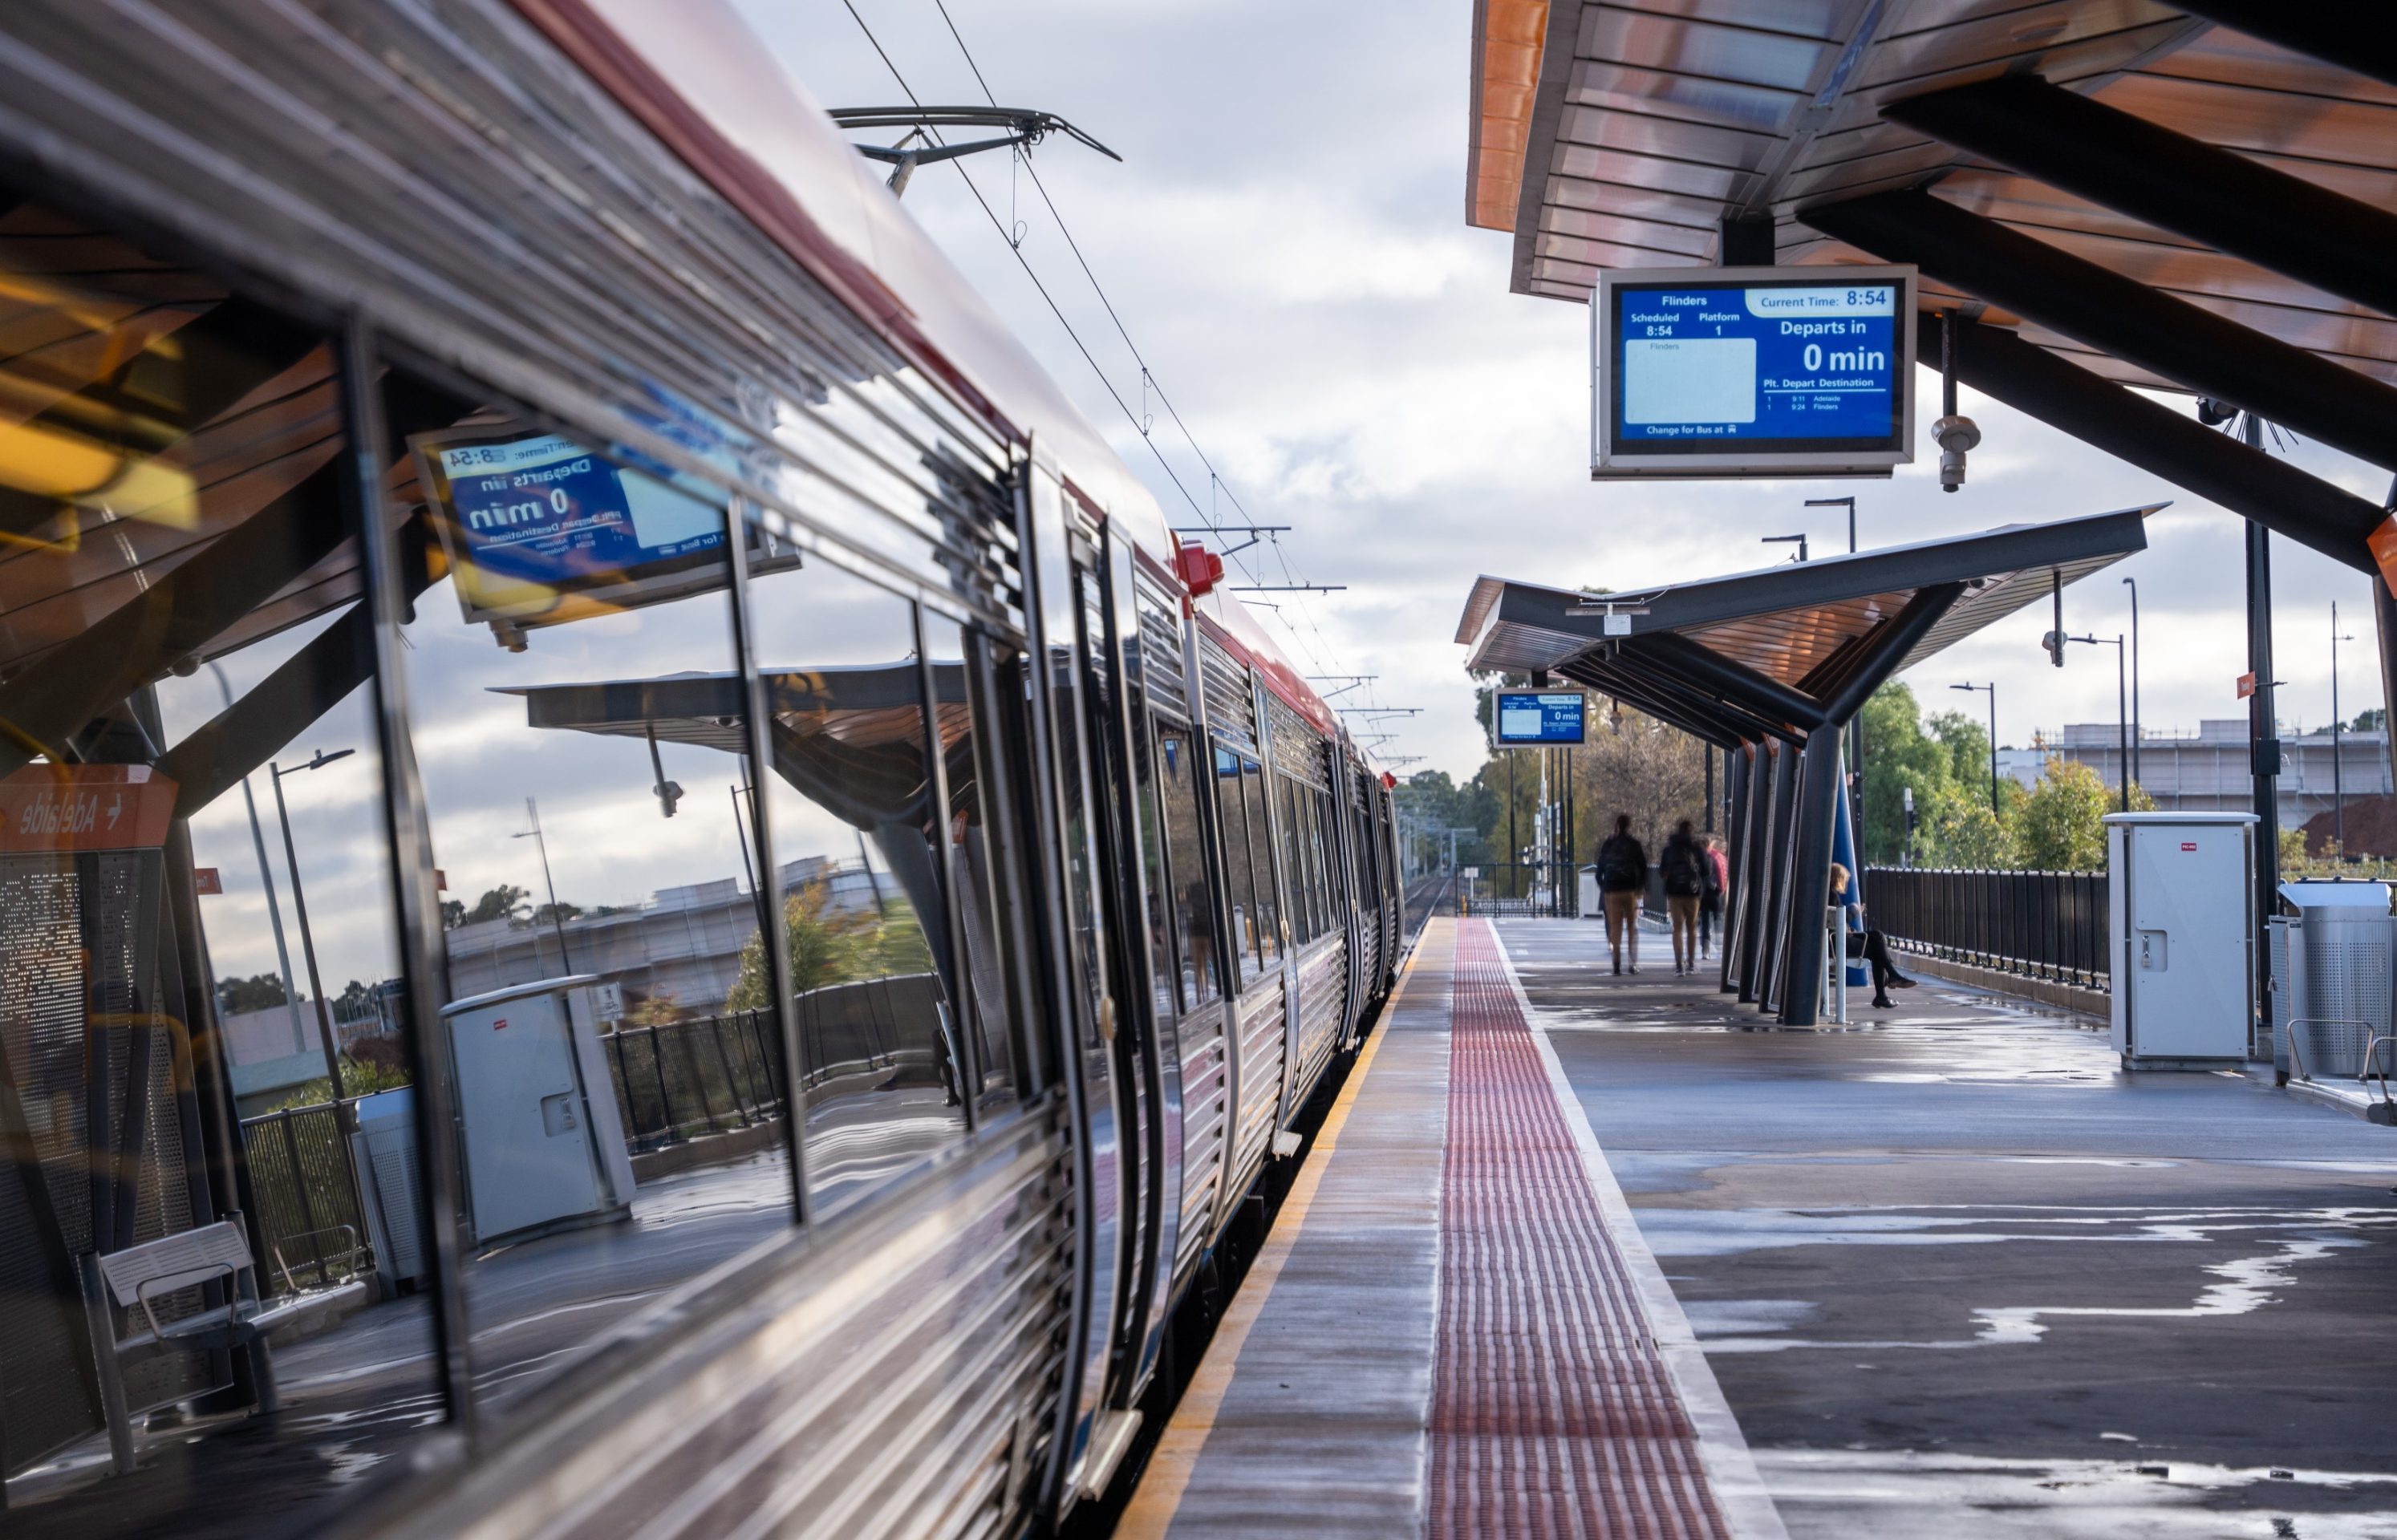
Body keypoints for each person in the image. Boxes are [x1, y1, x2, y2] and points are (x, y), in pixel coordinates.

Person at [1829, 862, 1918, 1009]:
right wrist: (1855, 910)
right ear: (1837, 879)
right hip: (1838, 942)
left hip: (1840, 938)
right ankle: (1884, 990)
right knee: (1877, 949)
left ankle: (1890, 979)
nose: (1845, 883)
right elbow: (1839, 919)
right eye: (1843, 879)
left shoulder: (1830, 894)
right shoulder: (1832, 896)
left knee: (1877, 936)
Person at [1594, 813, 1649, 975]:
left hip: (1612, 891)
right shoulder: (1634, 844)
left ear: (1617, 825)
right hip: (1630, 890)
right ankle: (1632, 962)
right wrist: (1640, 887)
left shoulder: (1609, 845)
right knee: (1632, 927)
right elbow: (1643, 867)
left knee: (1615, 927)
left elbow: (1600, 869)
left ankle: (1616, 963)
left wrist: (1604, 886)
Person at [1659, 819, 1705, 976]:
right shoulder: (1696, 848)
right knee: (1692, 927)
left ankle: (1679, 965)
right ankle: (1691, 963)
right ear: (1691, 831)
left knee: (1677, 928)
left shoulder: (1669, 849)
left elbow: (1662, 871)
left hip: (1674, 893)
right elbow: (1706, 869)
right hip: (1692, 894)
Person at [1699, 833, 1728, 961]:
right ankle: (1721, 947)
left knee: (1705, 922)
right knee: (1718, 919)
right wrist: (1722, 889)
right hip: (1715, 892)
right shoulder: (1718, 857)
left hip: (1703, 893)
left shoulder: (1699, 857)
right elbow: (1722, 873)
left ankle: (1705, 951)